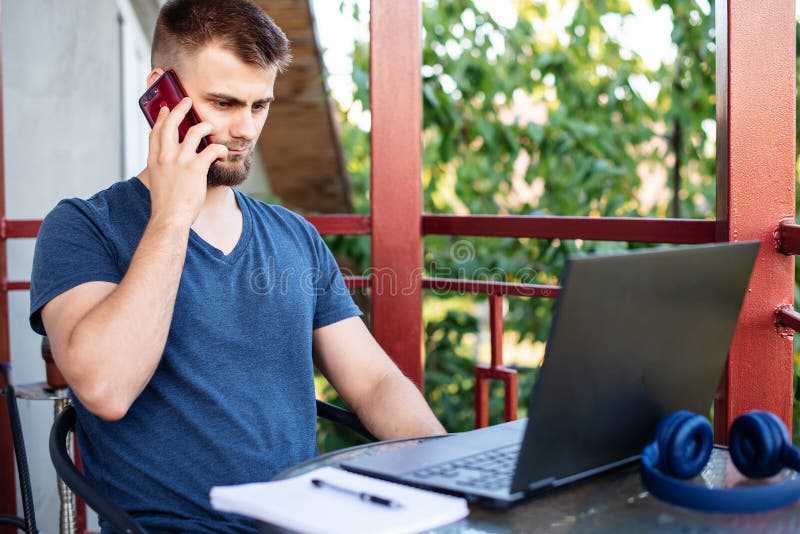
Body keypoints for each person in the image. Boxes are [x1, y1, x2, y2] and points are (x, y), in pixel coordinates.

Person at [29, 1, 445, 532]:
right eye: (223, 103)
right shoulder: (82, 227)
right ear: (162, 95)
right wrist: (174, 214)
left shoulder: (294, 237)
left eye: (260, 105)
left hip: (305, 521)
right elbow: (106, 390)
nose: (246, 129)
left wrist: (453, 472)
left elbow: (374, 383)